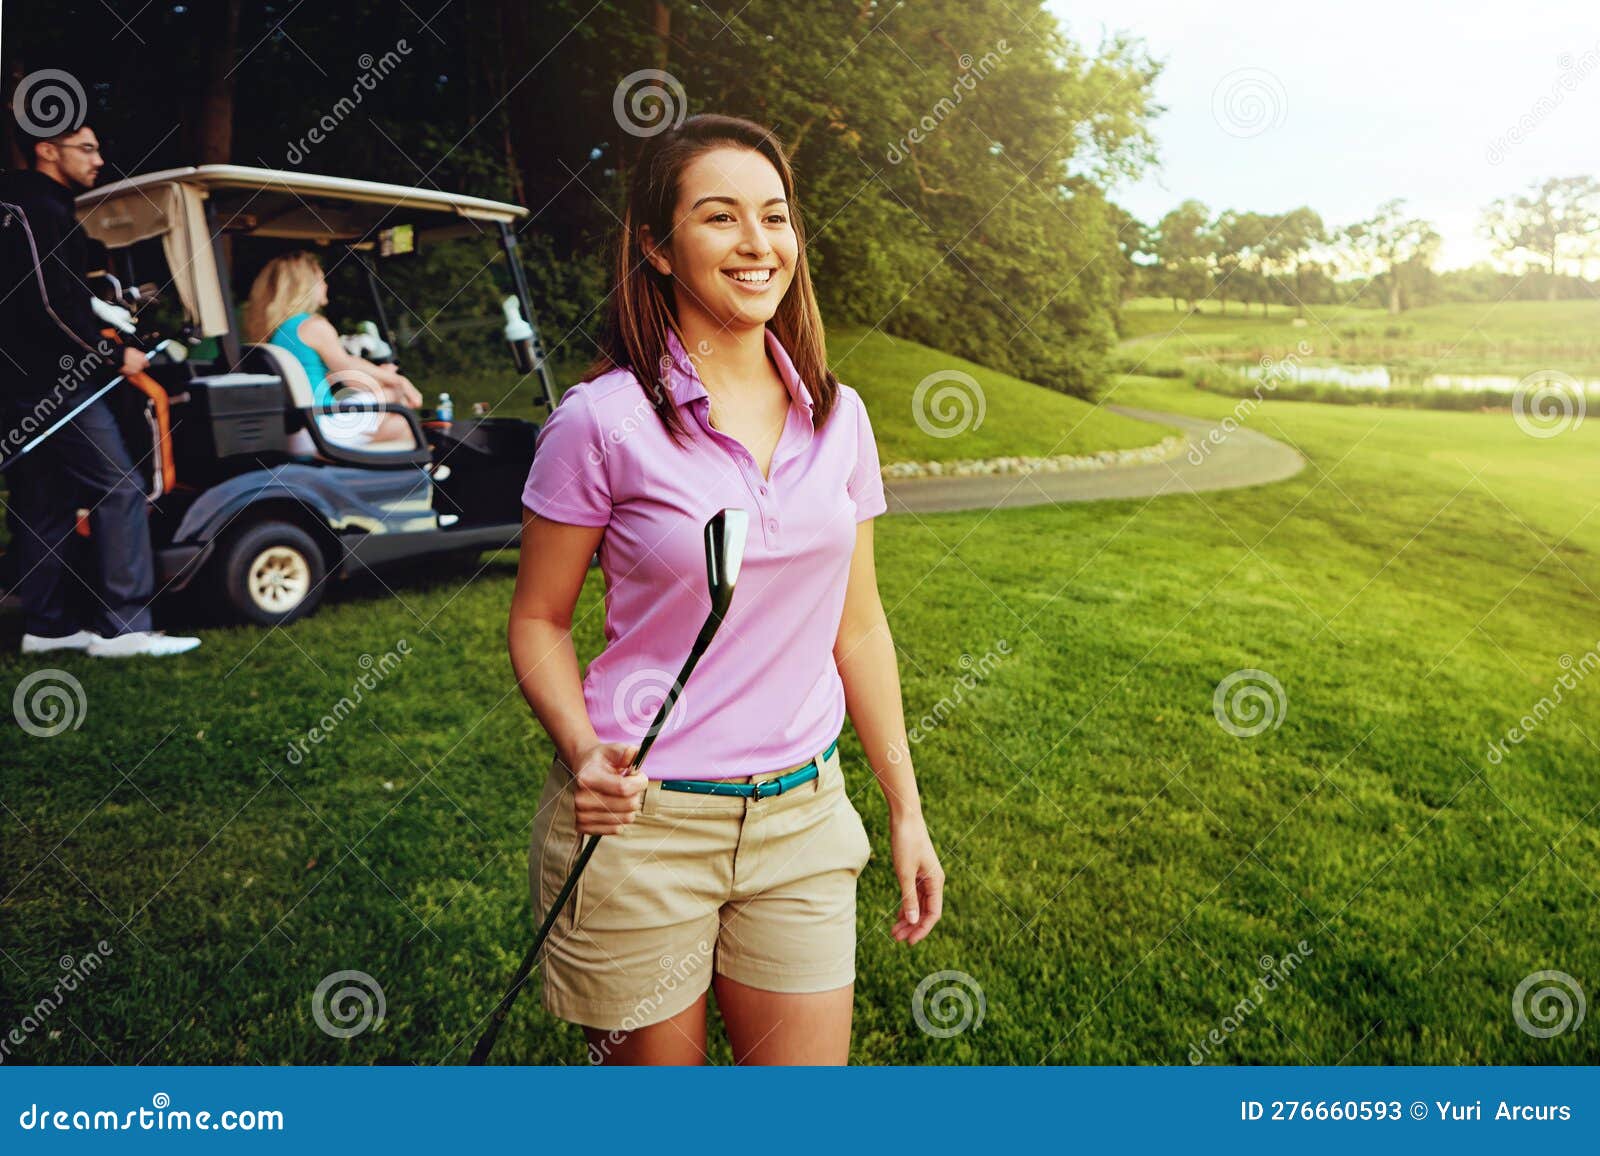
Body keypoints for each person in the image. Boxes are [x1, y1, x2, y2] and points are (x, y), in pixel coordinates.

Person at [507, 114, 944, 1065]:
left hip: (803, 817)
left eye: (775, 217)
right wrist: (581, 750)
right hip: (645, 825)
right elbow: (538, 619)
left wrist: (905, 811)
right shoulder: (602, 422)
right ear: (658, 248)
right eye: (720, 218)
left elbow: (859, 630)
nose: (758, 245)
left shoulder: (839, 413)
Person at [0, 120, 199, 657]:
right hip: (54, 382)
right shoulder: (39, 209)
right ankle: (126, 629)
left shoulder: (32, 208)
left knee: (45, 499)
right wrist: (113, 353)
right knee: (120, 490)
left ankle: (49, 628)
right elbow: (43, 303)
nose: (98, 160)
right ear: (47, 150)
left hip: (24, 384)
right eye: (86, 149)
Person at [242, 251, 421, 447]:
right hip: (322, 426)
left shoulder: (277, 333)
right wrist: (398, 380)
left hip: (297, 431)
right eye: (321, 279)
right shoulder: (312, 326)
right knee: (394, 397)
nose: (326, 285)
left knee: (397, 422)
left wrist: (379, 374)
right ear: (305, 285)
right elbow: (347, 369)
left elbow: (327, 377)